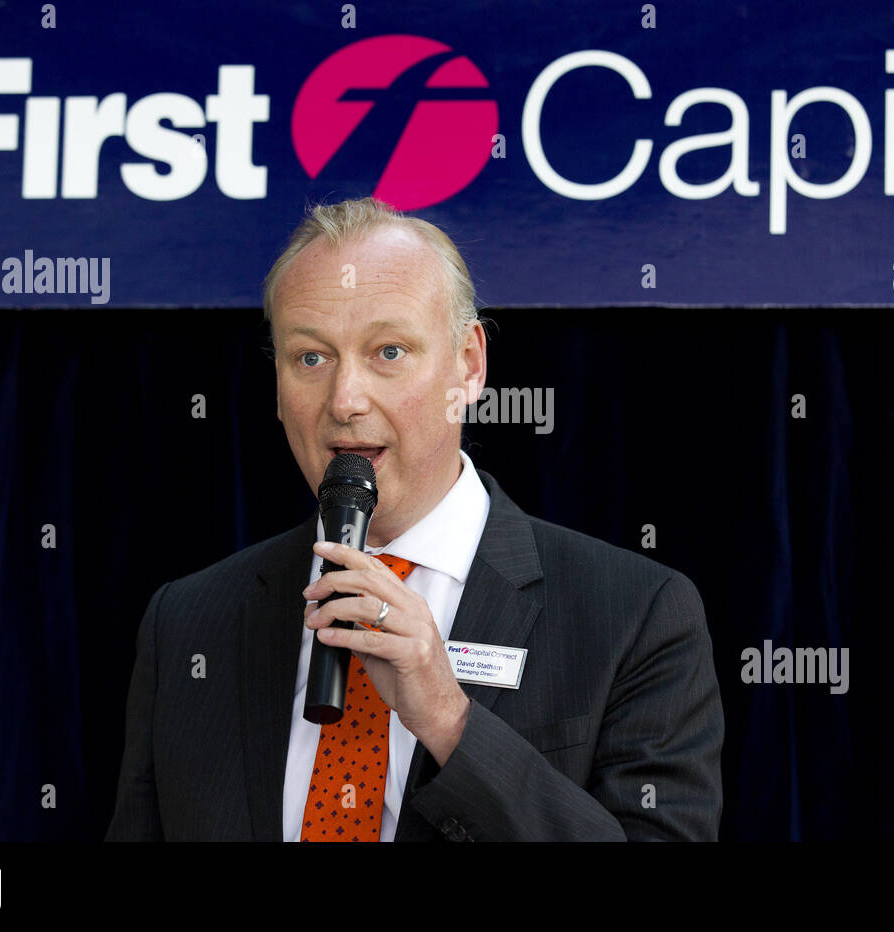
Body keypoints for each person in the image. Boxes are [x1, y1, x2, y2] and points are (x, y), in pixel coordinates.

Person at [105, 197, 723, 841]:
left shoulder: (635, 615)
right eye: (311, 358)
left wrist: (453, 722)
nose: (345, 401)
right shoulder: (187, 622)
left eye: (389, 352)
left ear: (468, 364)